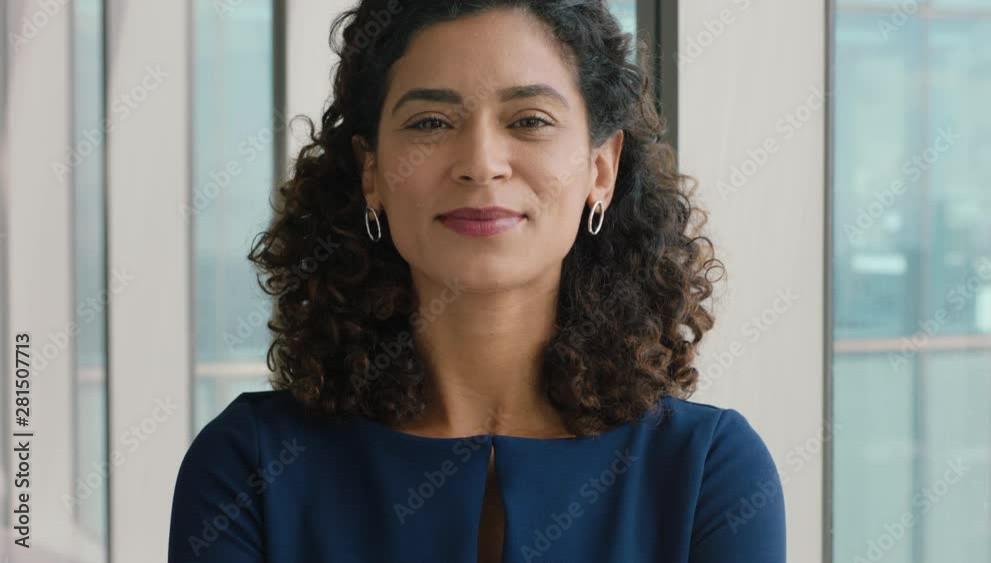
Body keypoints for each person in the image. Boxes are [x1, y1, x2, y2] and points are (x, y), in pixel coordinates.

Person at [167, 1, 786, 562]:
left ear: (601, 168)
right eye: (431, 122)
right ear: (372, 174)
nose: (481, 163)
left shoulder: (708, 470)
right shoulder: (247, 464)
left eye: (530, 120)